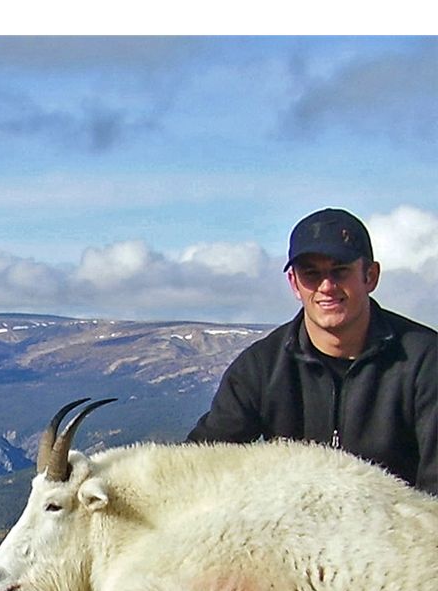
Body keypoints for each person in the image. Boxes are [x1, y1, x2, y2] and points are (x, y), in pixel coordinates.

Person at [187, 207, 436, 494]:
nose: (326, 286)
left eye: (340, 271)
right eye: (311, 274)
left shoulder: (426, 361)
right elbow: (200, 464)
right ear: (294, 283)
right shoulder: (260, 368)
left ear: (371, 276)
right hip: (297, 532)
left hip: (398, 532)